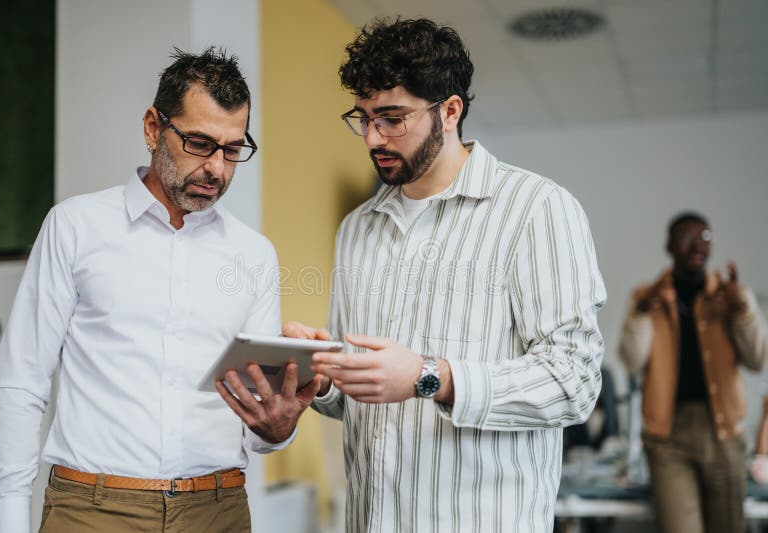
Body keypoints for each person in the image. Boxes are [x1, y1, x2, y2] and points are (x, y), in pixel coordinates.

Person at [281, 18, 607, 532]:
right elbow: (361, 400)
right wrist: (322, 375)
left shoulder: (537, 210)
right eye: (363, 118)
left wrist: (432, 376)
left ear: (450, 110)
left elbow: (575, 381)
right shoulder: (357, 230)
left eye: (392, 118)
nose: (372, 137)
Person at [0, 48, 319, 533]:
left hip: (218, 511)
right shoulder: (75, 227)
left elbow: (259, 416)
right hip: (91, 512)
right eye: (200, 144)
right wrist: (7, 522)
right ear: (152, 128)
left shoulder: (254, 255)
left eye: (232, 149)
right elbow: (20, 383)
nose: (217, 169)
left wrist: (279, 429)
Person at [619, 211, 768, 533]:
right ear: (669, 245)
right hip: (667, 437)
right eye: (686, 238)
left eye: (704, 238)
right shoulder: (648, 297)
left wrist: (743, 308)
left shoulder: (729, 296)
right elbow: (631, 361)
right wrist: (645, 311)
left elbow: (758, 359)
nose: (696, 246)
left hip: (724, 433)